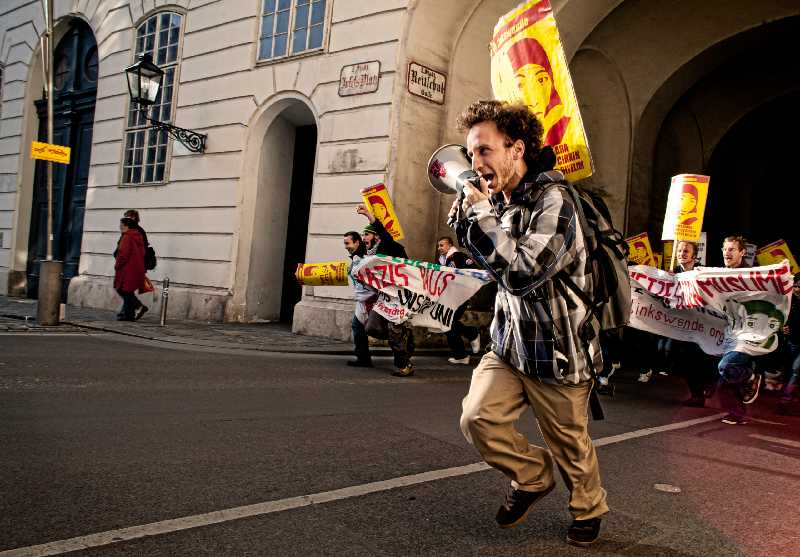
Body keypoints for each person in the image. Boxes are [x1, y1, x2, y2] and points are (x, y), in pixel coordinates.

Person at [451, 100, 607, 547]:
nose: (474, 162)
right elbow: (485, 254)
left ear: (516, 149)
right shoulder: (498, 200)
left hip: (557, 347)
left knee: (570, 445)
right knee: (477, 418)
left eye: (483, 151)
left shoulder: (555, 201)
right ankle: (533, 477)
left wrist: (479, 216)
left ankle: (588, 508)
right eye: (471, 152)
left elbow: (521, 271)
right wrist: (469, 214)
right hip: (510, 342)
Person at [356, 203, 415, 377]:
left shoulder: (390, 247)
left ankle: (404, 365)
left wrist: (368, 214)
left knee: (393, 335)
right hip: (384, 298)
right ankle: (405, 336)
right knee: (372, 327)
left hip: (399, 298)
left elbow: (383, 233)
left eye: (366, 234)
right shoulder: (371, 253)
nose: (363, 238)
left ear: (377, 236)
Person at [717, 235, 761, 425]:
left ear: (742, 252)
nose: (727, 253)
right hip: (729, 333)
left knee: (725, 367)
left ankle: (751, 376)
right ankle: (738, 415)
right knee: (724, 380)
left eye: (732, 249)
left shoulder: (752, 276)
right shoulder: (716, 275)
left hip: (748, 333)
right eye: (725, 249)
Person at [668, 241, 718, 407]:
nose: (682, 253)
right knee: (677, 356)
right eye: (680, 250)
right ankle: (698, 390)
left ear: (694, 255)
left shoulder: (702, 273)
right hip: (681, 325)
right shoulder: (671, 273)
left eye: (686, 251)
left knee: (700, 358)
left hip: (701, 324)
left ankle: (705, 388)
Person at [436, 236, 481, 364]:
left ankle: (461, 354)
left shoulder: (459, 256)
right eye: (439, 246)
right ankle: (471, 334)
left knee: (447, 322)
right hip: (448, 297)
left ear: (450, 245)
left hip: (460, 296)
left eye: (442, 245)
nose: (439, 248)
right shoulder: (442, 261)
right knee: (447, 322)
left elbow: (474, 271)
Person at [343, 231, 376, 367]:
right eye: (344, 243)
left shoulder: (365, 257)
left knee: (379, 329)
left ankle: (404, 353)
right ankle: (363, 358)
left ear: (357, 242)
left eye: (347, 243)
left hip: (371, 300)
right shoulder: (356, 257)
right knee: (358, 327)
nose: (345, 246)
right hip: (363, 300)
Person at [114, 217, 147, 321]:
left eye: (121, 224)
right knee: (128, 291)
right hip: (135, 267)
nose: (120, 226)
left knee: (122, 290)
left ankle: (139, 307)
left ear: (126, 226)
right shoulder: (137, 235)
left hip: (127, 268)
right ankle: (129, 315)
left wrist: (117, 265)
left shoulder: (127, 237)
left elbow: (123, 254)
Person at [777, 273, 800, 414]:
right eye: (796, 286)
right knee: (789, 371)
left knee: (796, 370)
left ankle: (785, 401)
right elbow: (783, 317)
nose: (797, 289)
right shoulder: (791, 302)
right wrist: (783, 327)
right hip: (792, 341)